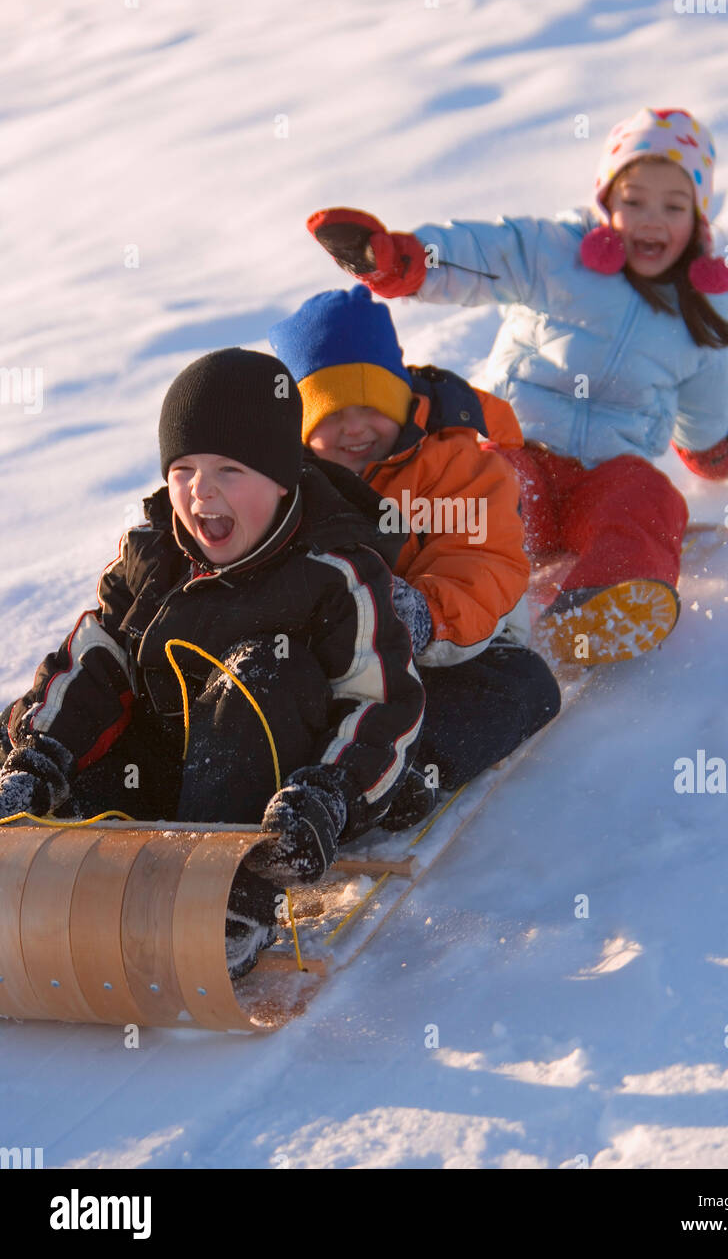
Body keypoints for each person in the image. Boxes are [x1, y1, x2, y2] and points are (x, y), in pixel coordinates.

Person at [0, 348, 425, 977]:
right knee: (42, 718)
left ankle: (232, 900)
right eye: (184, 469)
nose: (201, 491)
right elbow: (97, 657)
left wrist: (328, 796)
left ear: (283, 478)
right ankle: (35, 864)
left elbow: (380, 702)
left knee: (261, 670)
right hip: (167, 770)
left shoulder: (333, 573)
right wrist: (41, 753)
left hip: (274, 805)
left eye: (230, 469)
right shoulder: (152, 556)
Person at [304, 106, 728, 666]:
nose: (650, 220)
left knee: (653, 501)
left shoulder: (705, 307)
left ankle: (603, 600)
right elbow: (485, 252)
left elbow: (708, 397)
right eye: (633, 200)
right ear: (606, 202)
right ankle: (459, 597)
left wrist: (714, 448)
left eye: (673, 206)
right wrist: (406, 261)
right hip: (522, 452)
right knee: (483, 497)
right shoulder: (558, 253)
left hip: (609, 473)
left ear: (698, 216)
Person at [268, 286, 561, 828]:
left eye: (370, 406)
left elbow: (482, 559)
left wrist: (419, 613)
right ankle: (304, 776)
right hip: (338, 662)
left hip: (453, 646)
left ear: (400, 398)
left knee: (523, 685)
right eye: (332, 414)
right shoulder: (283, 481)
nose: (354, 428)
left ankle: (406, 770)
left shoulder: (454, 461)